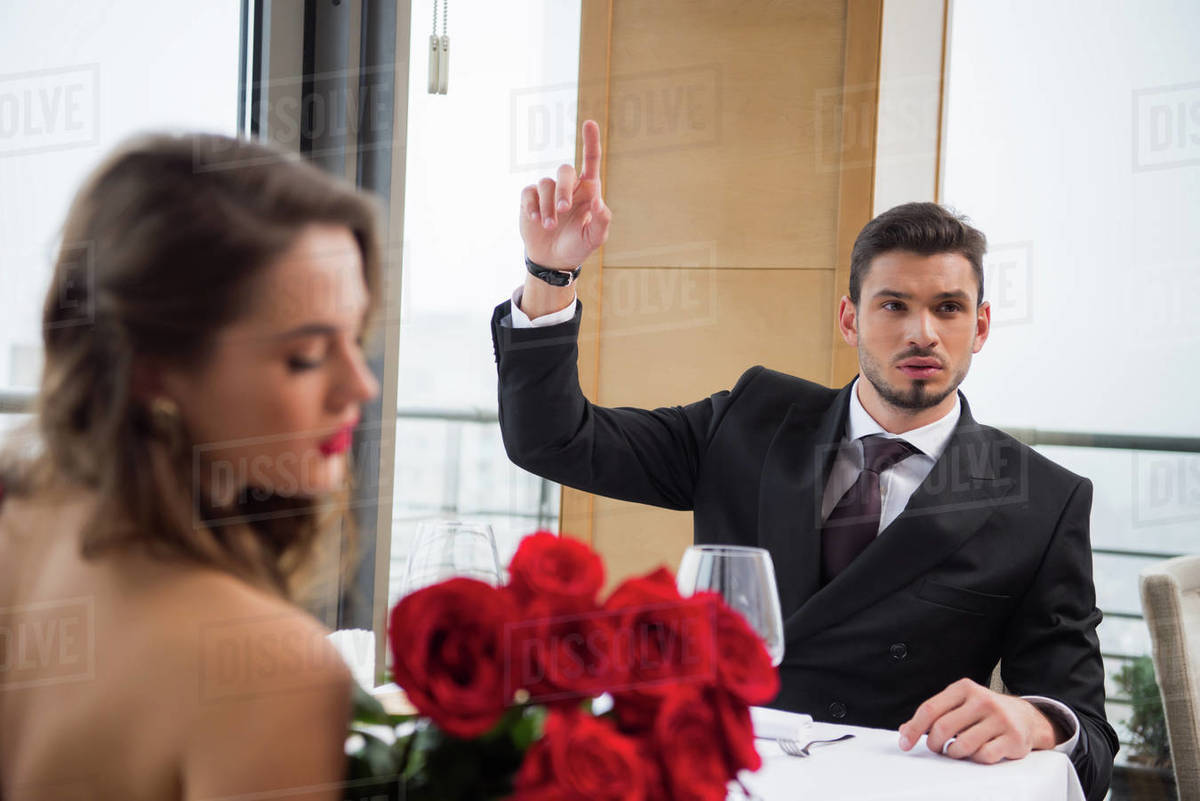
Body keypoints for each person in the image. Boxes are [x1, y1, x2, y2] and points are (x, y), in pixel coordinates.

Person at [491, 120, 1117, 799]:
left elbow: (1085, 728)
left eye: (948, 307)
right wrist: (549, 275)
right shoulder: (753, 419)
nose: (922, 332)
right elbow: (553, 439)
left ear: (982, 326)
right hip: (719, 775)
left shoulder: (1041, 499)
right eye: (894, 305)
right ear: (849, 320)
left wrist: (1033, 716)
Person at [0, 134, 381, 800]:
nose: (360, 386)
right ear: (151, 369)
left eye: (357, 336)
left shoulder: (17, 508)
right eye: (307, 355)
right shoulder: (270, 668)